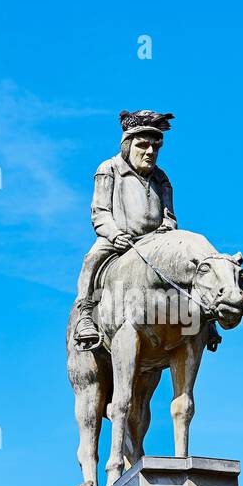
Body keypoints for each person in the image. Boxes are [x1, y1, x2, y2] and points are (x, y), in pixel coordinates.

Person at [73, 109, 176, 349]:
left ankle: (206, 321)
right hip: (119, 240)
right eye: (143, 146)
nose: (150, 152)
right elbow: (100, 212)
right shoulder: (108, 169)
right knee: (92, 258)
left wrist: (168, 227)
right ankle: (85, 315)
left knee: (189, 261)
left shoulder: (162, 178)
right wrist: (114, 234)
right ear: (127, 145)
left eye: (155, 148)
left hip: (156, 242)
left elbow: (169, 215)